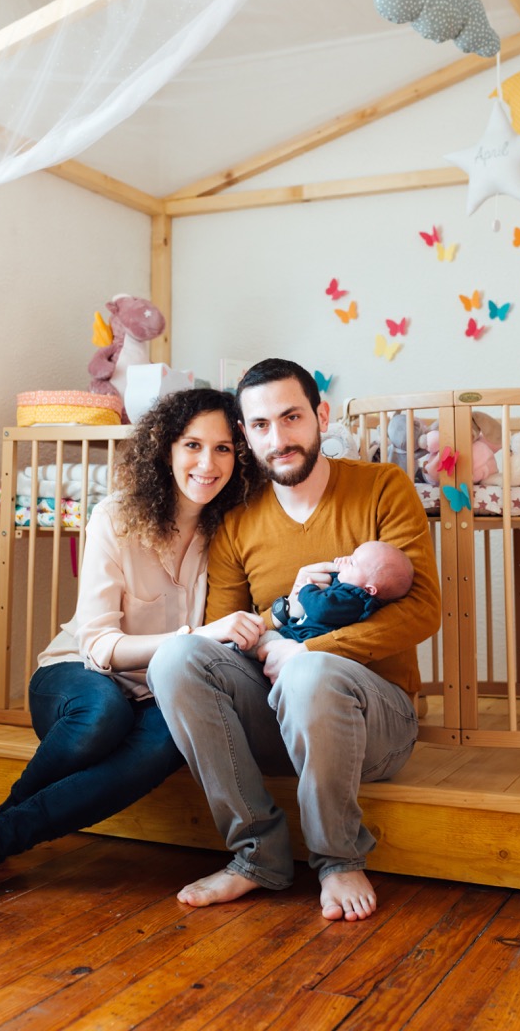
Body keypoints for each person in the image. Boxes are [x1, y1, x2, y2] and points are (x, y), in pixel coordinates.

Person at [0, 388, 265, 909]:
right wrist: (196, 636)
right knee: (104, 712)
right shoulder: (116, 517)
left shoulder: (233, 530)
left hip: (161, 692)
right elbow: (101, 646)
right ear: (167, 449)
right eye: (193, 445)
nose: (207, 463)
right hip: (78, 675)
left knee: (173, 739)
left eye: (223, 449)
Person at [147, 359, 441, 922]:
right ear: (245, 433)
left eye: (291, 418)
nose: (278, 439)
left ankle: (337, 858)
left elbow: (423, 609)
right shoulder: (236, 519)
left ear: (320, 415)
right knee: (177, 656)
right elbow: (228, 634)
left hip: (375, 724)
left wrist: (311, 651)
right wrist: (283, 616)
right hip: (274, 717)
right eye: (259, 426)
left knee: (310, 673)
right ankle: (256, 853)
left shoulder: (383, 488)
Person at [269, 539, 414, 644]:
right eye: (351, 555)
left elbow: (319, 608)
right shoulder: (350, 586)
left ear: (369, 589)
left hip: (303, 640)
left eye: (352, 563)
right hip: (295, 632)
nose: (345, 559)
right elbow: (335, 580)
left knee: (262, 646)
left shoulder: (353, 602)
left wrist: (306, 590)